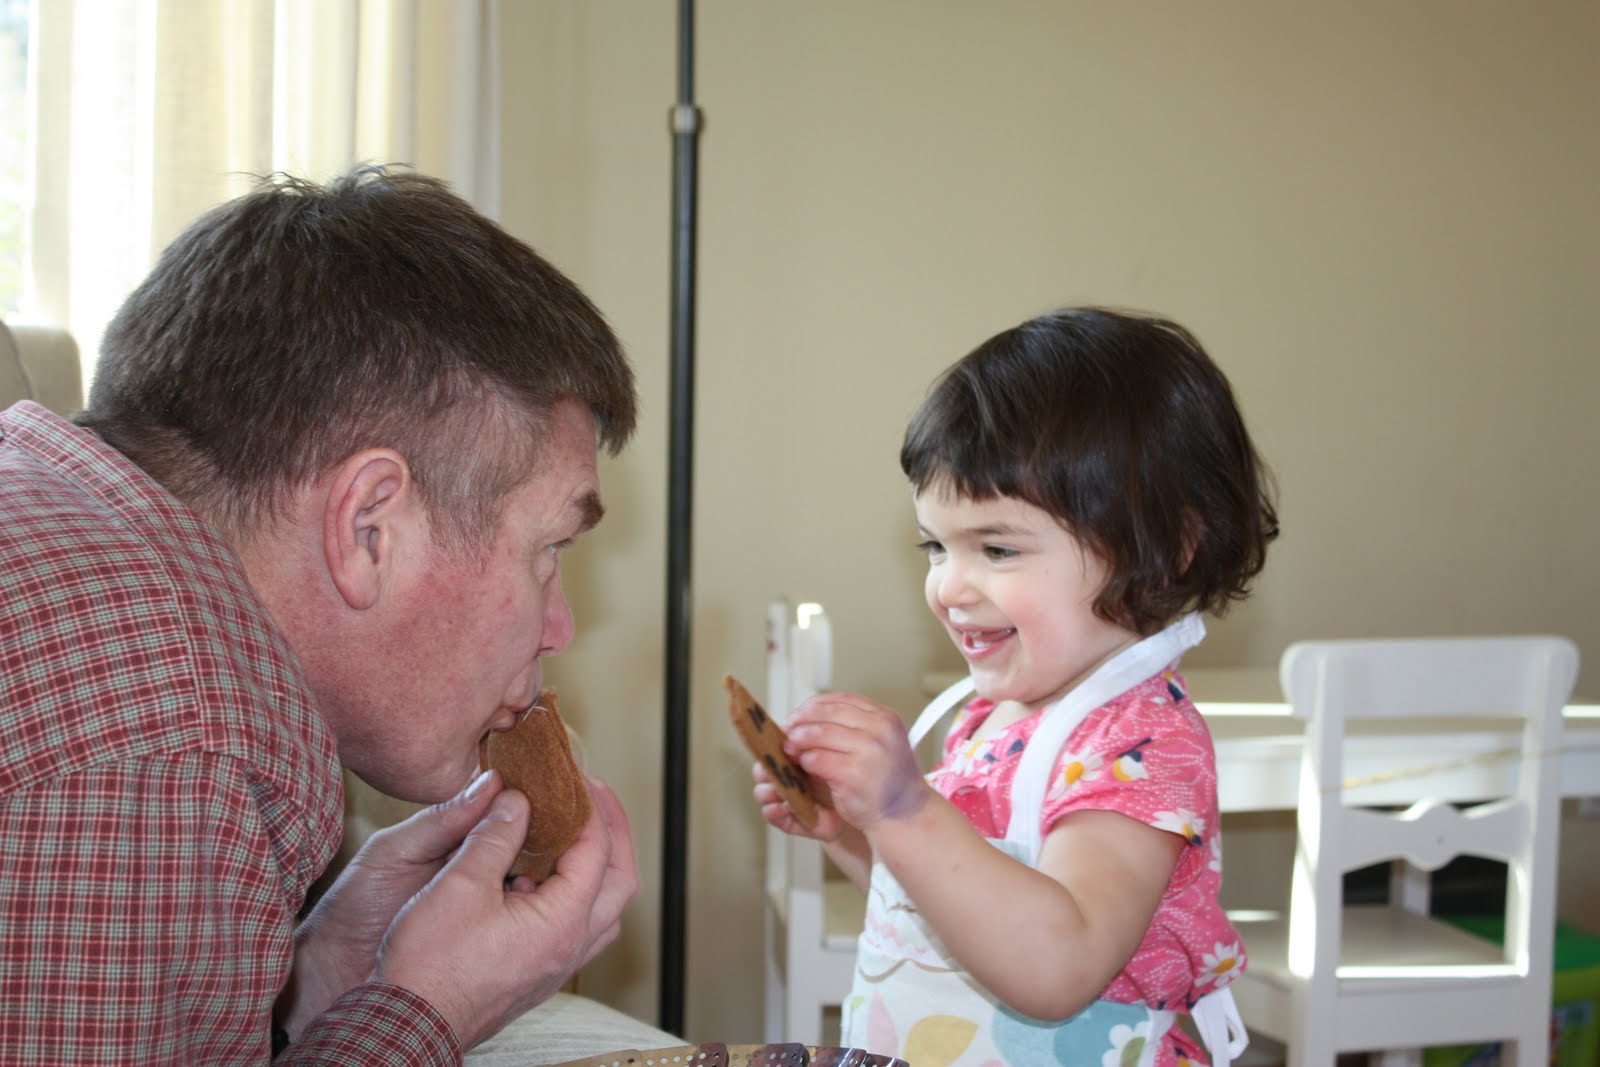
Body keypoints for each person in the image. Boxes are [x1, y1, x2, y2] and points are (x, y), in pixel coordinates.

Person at [0, 166, 643, 1065]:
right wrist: (432, 1010)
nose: (559, 627)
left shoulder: (64, 536)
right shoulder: (167, 733)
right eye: (549, 551)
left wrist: (323, 974)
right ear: (369, 528)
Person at [752, 308, 1279, 1067]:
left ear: (1165, 549)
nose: (948, 586)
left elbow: (1058, 965)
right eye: (936, 544)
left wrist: (907, 808)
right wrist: (856, 830)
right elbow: (947, 908)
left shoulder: (1145, 748)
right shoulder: (992, 715)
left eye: (996, 547)